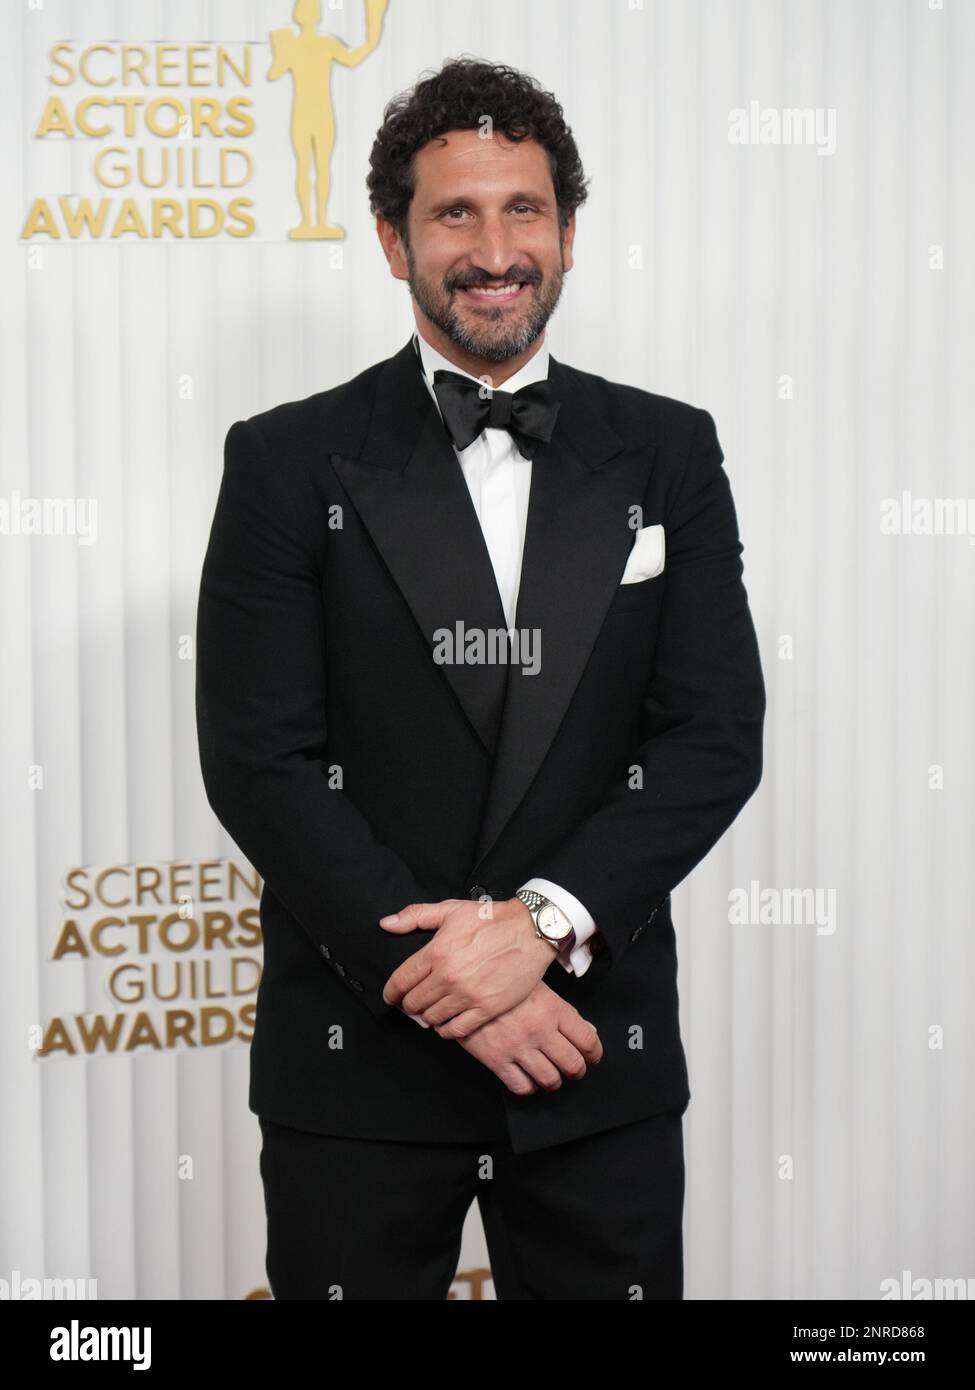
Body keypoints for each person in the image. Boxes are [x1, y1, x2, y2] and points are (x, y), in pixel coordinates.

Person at [195, 57, 766, 1300]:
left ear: (568, 233)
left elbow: (714, 735)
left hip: (588, 1045)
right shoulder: (288, 460)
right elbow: (260, 760)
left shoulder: (668, 450)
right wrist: (459, 985)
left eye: (523, 210)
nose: (494, 246)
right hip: (361, 1057)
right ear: (394, 242)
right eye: (455, 212)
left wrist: (541, 929)